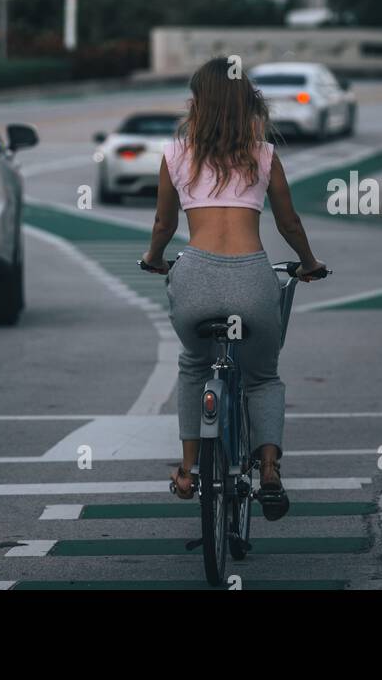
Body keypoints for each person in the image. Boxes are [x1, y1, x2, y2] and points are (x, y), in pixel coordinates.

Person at [140, 56, 326, 519]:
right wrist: (309, 263)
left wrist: (153, 259)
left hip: (195, 275)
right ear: (249, 105)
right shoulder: (263, 155)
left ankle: (186, 471)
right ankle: (269, 471)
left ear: (198, 105)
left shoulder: (175, 154)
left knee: (194, 366)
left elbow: (164, 223)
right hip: (251, 277)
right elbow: (289, 222)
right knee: (262, 376)